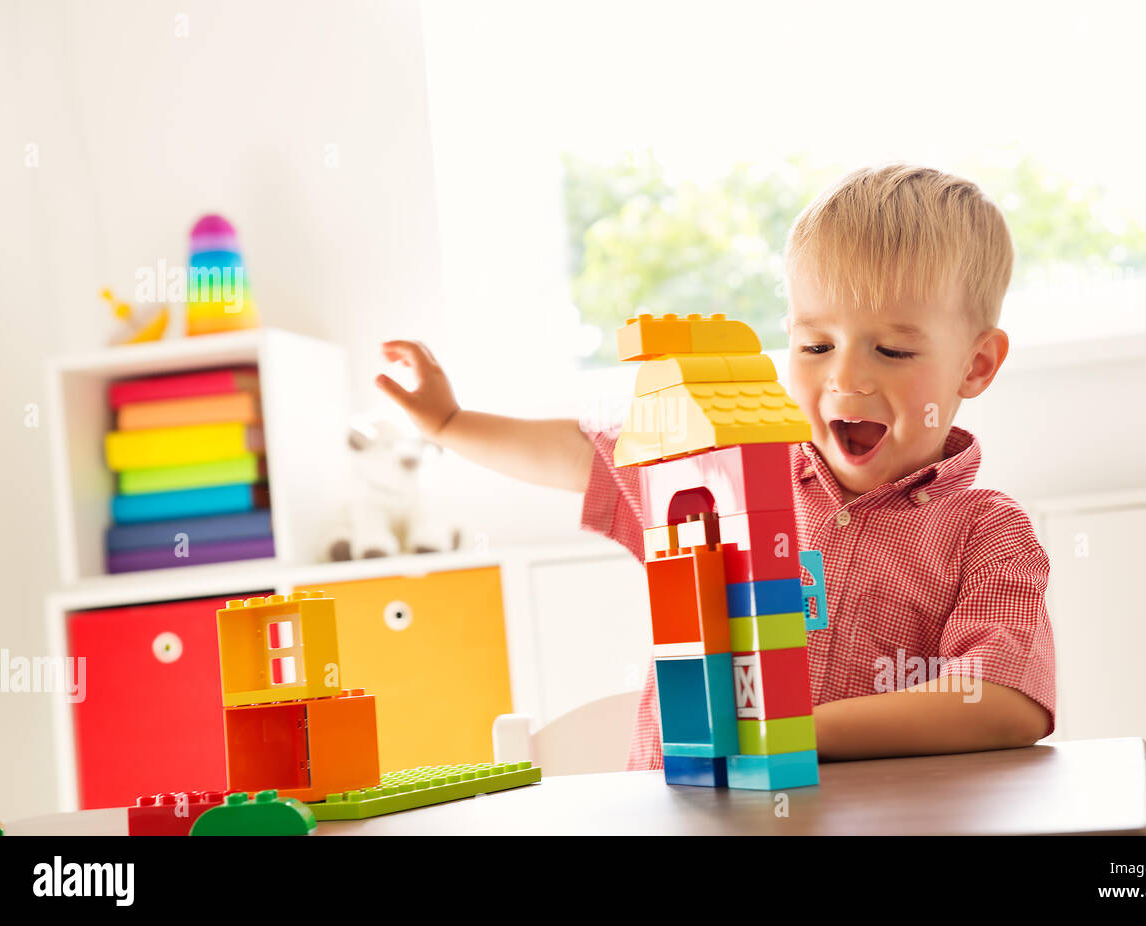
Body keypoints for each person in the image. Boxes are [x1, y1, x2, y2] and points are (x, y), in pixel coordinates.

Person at [377, 163, 1055, 770]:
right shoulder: (721, 473)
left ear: (976, 364)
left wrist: (797, 732)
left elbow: (1001, 700)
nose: (846, 379)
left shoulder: (984, 531)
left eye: (893, 351)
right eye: (816, 345)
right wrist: (450, 424)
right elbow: (584, 456)